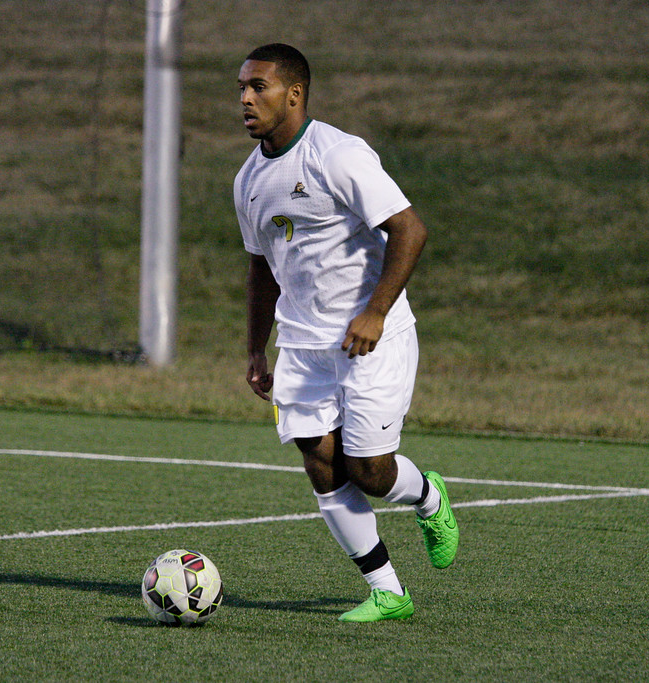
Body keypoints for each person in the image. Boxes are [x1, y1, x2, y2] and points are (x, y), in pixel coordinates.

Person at [234, 44, 459, 622]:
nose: (245, 98)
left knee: (371, 472)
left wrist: (376, 312)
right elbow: (261, 268)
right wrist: (257, 348)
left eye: (258, 86)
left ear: (294, 94)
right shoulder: (248, 180)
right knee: (320, 465)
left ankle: (429, 496)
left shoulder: (337, 155)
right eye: (241, 88)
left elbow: (410, 230)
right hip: (302, 348)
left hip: (371, 340)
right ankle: (388, 591)